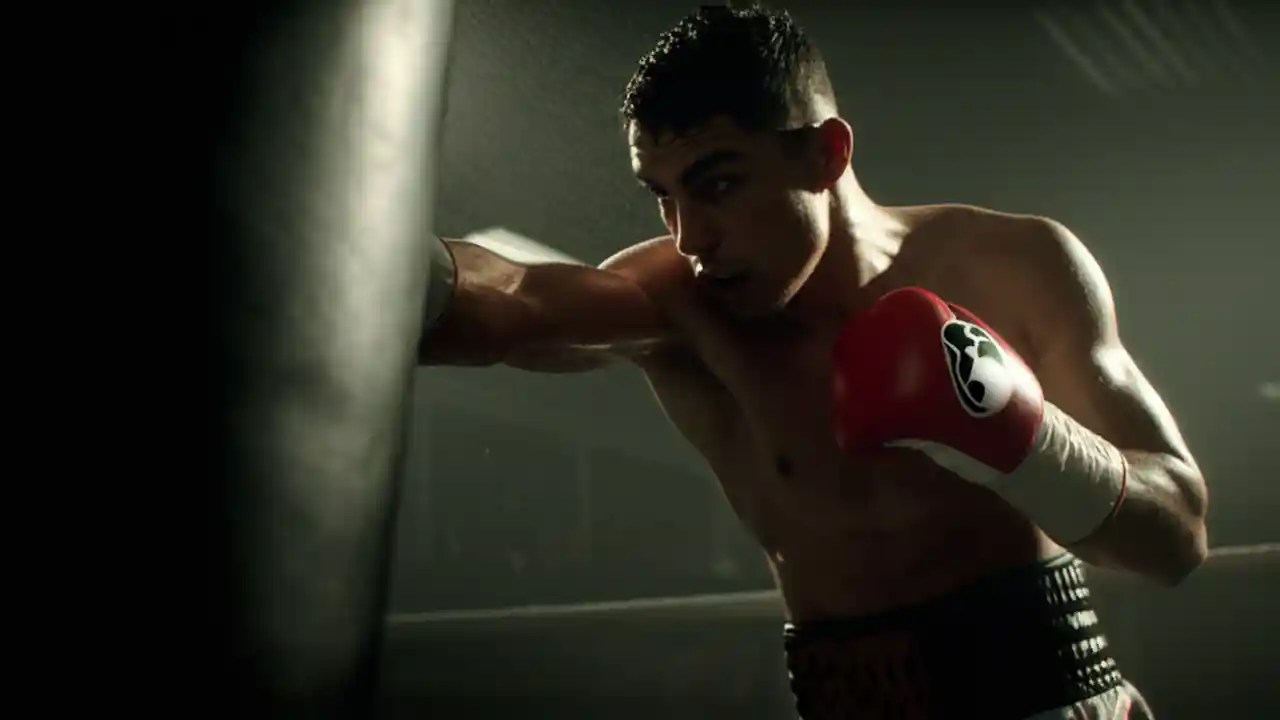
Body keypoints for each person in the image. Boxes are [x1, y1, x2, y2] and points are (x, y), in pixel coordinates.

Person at [418, 5, 1207, 718]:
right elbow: (515, 298)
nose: (690, 237)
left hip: (1055, 699)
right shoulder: (679, 306)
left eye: (718, 184)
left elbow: (1176, 537)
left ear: (826, 154)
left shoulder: (1013, 265)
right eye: (663, 195)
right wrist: (360, 239)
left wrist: (1025, 439)